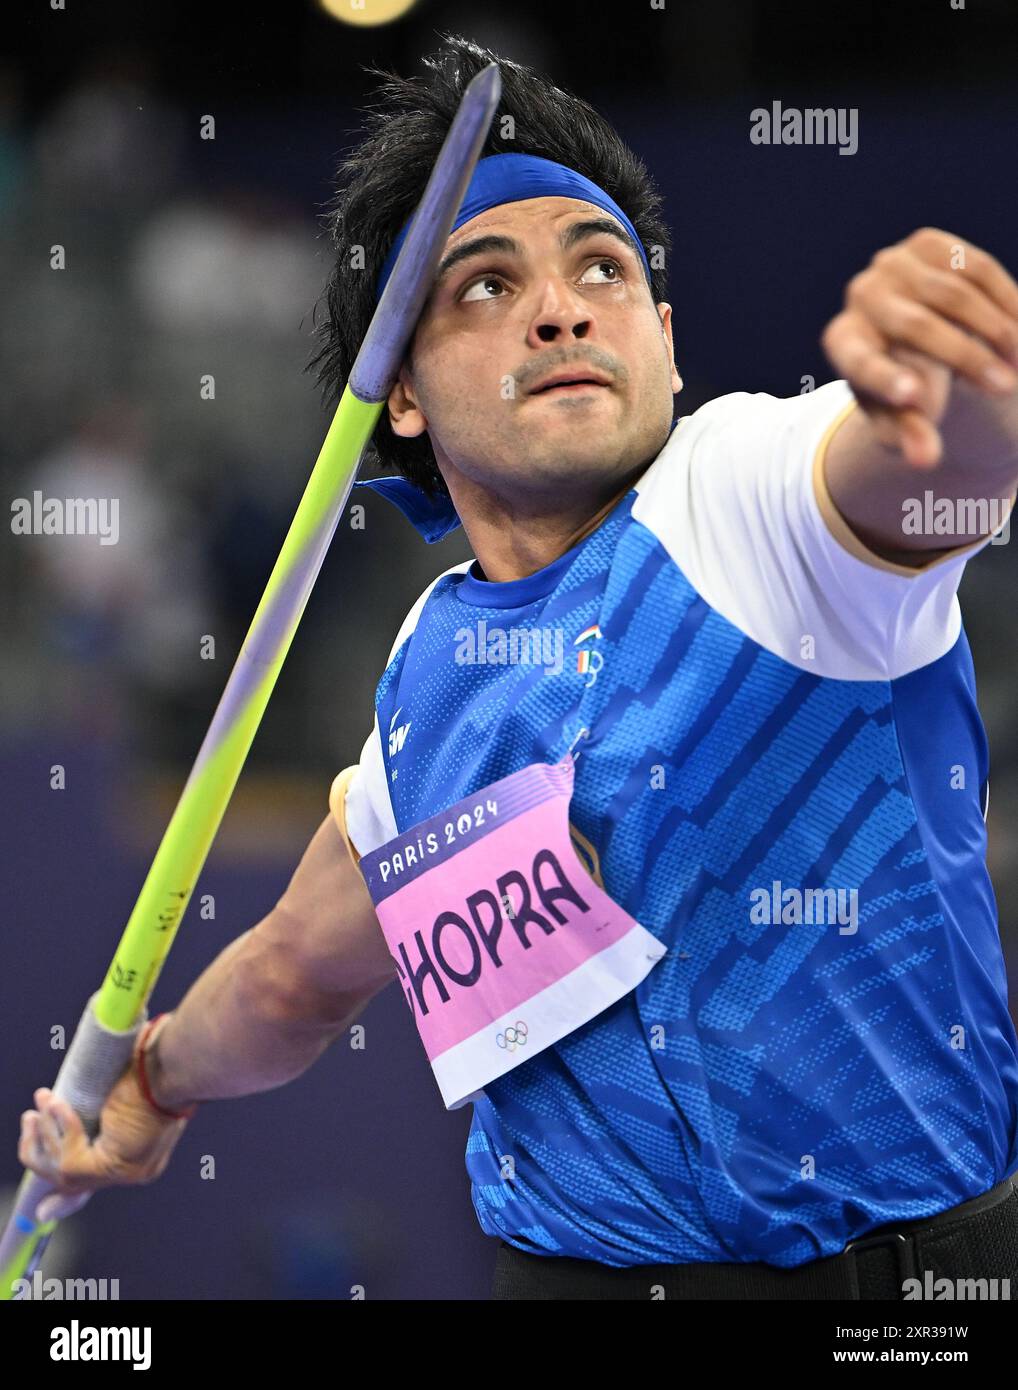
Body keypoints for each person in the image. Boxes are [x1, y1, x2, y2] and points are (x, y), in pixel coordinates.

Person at [19, 34, 1018, 1301]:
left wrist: (970, 401)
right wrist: (153, 1084)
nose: (558, 307)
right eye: (482, 286)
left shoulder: (752, 486)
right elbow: (293, 971)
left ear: (659, 334)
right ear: (405, 401)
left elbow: (928, 478)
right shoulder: (427, 680)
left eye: (600, 269)